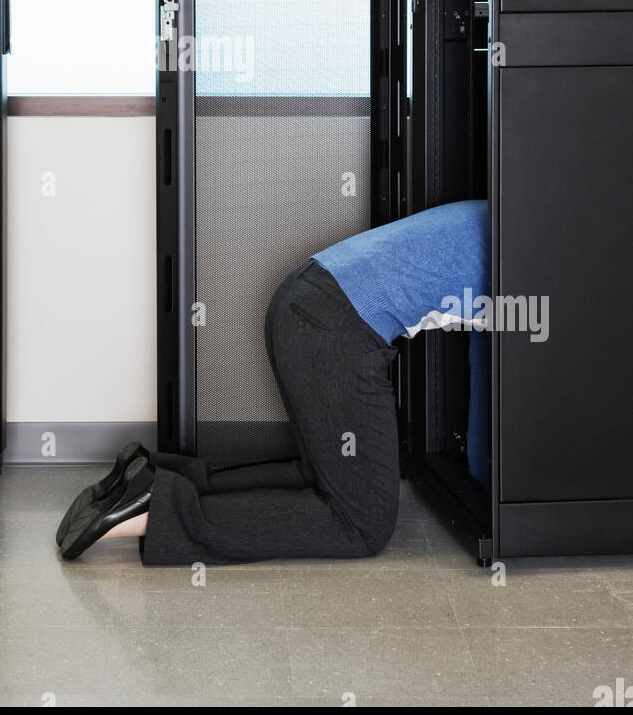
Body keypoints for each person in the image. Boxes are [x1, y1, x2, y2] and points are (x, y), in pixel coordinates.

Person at [57, 199, 489, 564]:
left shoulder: (501, 213)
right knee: (363, 524)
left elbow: (484, 360)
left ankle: (155, 478)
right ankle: (154, 511)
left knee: (324, 476)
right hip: (332, 327)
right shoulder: (529, 249)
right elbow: (494, 377)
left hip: (304, 301)